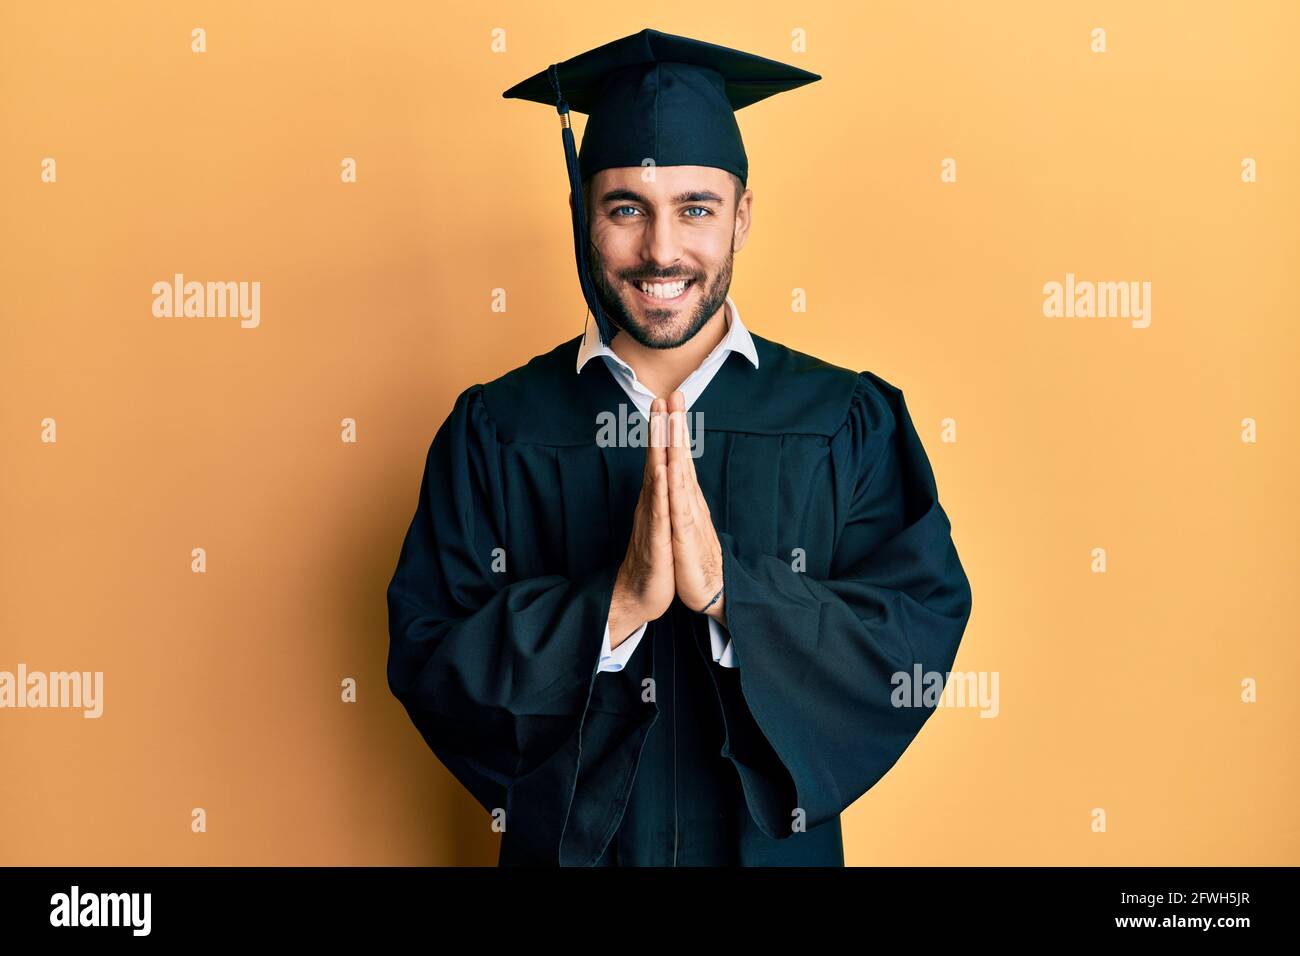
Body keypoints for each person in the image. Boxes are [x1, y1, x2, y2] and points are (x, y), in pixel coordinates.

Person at [386, 28, 973, 866]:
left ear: (742, 217)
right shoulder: (497, 427)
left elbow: (912, 637)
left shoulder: (846, 419)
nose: (662, 250)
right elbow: (430, 660)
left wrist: (736, 595)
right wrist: (616, 604)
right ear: (582, 216)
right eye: (626, 208)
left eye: (696, 208)